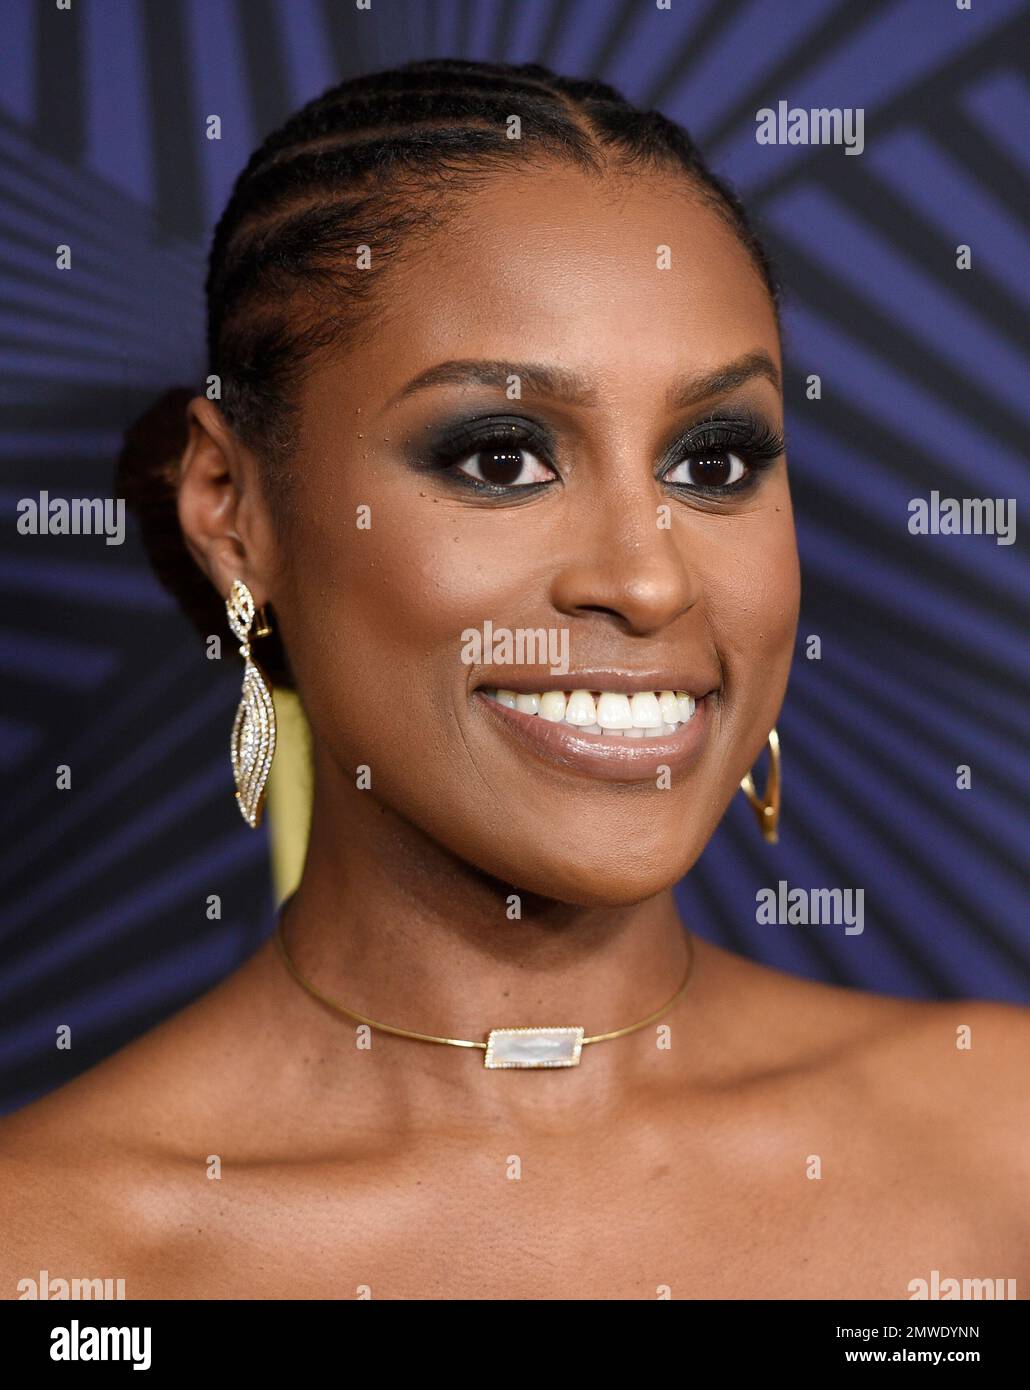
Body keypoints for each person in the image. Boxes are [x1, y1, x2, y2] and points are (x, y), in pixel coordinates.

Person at [2, 58, 1026, 1301]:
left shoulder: (1000, 1140)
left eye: (713, 460)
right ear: (232, 509)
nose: (648, 584)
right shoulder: (56, 1257)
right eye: (500, 458)